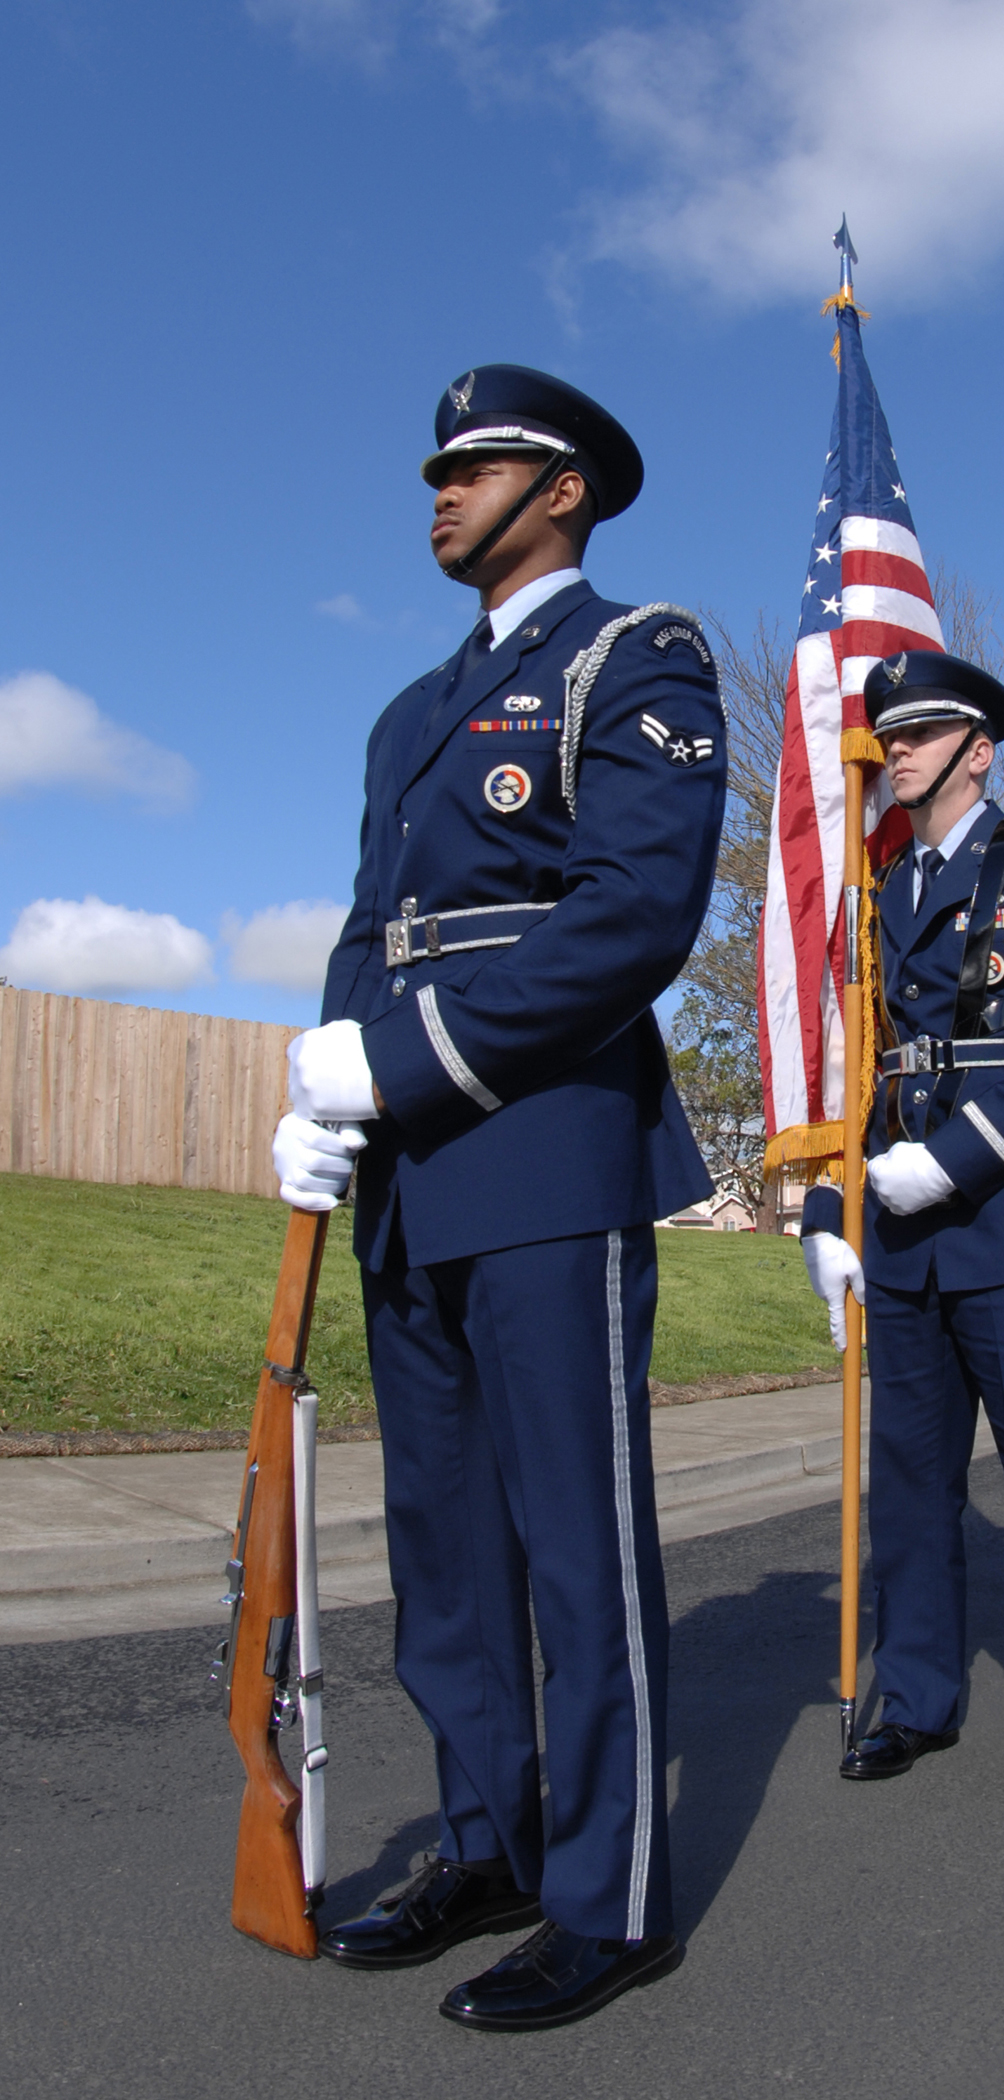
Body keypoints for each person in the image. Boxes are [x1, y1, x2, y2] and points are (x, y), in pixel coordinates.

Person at [269, 365, 726, 2032]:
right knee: (444, 1546)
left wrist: (400, 1068)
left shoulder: (636, 656)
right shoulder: (412, 711)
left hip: (540, 1147)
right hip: (409, 1170)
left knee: (571, 1540)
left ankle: (608, 1900)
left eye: (475, 468)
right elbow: (370, 926)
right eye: (435, 471)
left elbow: (629, 922)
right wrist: (320, 1089)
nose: (439, 492)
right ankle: (492, 1839)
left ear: (567, 491)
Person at [800, 651, 1004, 1802]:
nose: (895, 748)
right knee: (909, 1486)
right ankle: (921, 1696)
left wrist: (947, 1167)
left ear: (978, 750)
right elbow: (868, 1065)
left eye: (922, 732)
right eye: (889, 732)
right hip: (903, 1243)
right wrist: (828, 1208)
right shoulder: (884, 888)